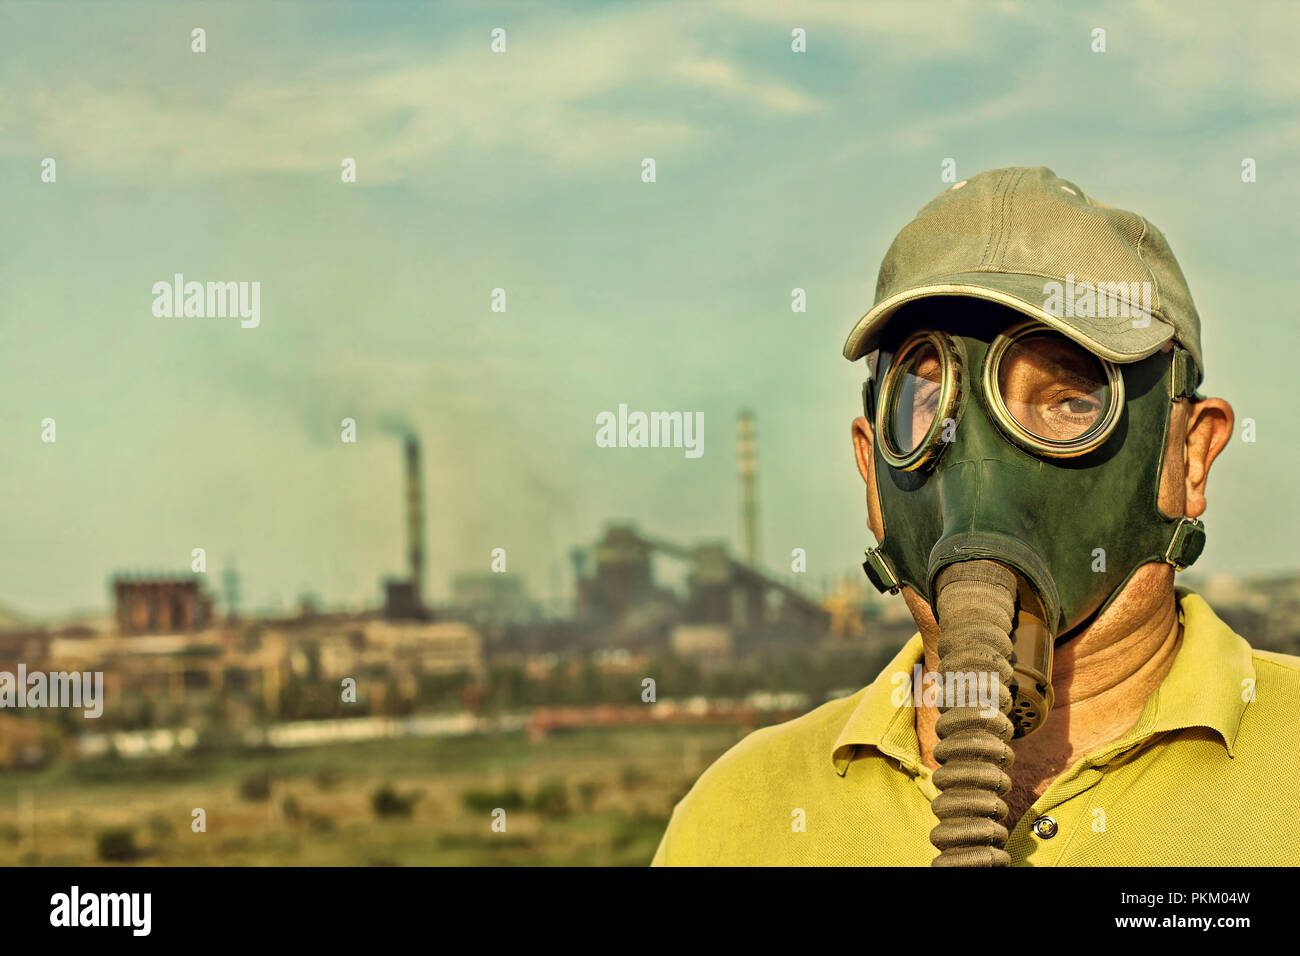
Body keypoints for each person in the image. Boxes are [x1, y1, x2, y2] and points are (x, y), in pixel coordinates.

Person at [652, 166, 1300, 866]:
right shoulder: (739, 820)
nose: (977, 464)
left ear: (1191, 454)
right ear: (873, 469)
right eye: (927, 402)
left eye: (1072, 401)